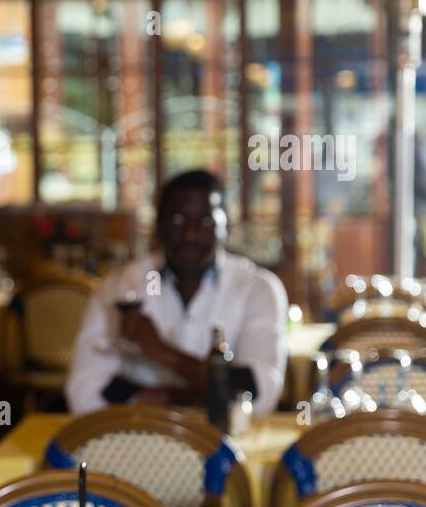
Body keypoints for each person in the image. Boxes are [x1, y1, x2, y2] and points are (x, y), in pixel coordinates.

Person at [66, 169, 288, 417]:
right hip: (137, 442)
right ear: (158, 225)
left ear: (227, 225)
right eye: (177, 220)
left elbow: (261, 395)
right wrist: (195, 395)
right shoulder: (122, 287)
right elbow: (84, 394)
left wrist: (161, 352)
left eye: (204, 221)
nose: (190, 234)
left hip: (226, 446)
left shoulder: (257, 288)